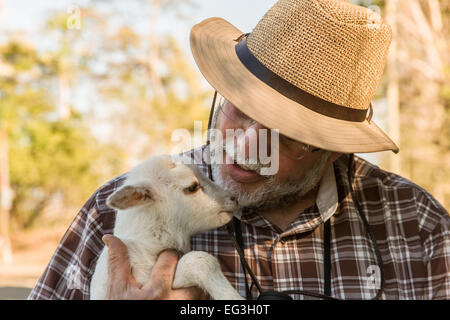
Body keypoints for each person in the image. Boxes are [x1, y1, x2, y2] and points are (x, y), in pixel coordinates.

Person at [28, 0, 449, 300]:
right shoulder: (122, 210)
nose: (247, 147)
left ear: (332, 148)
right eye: (240, 109)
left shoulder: (418, 227)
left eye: (286, 134)